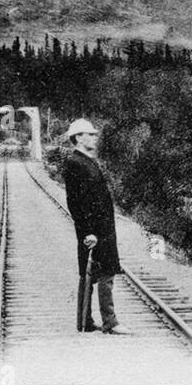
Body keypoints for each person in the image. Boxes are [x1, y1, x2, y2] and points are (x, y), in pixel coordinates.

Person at [62, 119, 123, 333]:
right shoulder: (76, 163)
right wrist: (88, 231)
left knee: (94, 272)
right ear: (78, 137)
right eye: (91, 134)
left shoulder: (87, 161)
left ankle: (85, 321)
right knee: (104, 272)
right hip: (94, 230)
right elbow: (77, 202)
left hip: (101, 228)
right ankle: (110, 322)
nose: (95, 138)